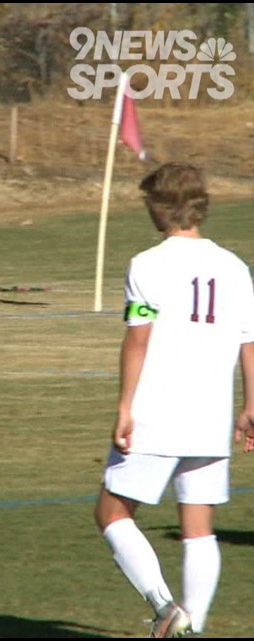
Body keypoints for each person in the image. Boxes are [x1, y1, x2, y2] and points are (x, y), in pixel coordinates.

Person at [93, 163, 254, 638]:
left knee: (111, 512)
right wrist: (250, 406)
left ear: (159, 207)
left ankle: (165, 608)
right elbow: (250, 341)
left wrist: (125, 407)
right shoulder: (234, 266)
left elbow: (137, 340)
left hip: (158, 412)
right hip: (210, 413)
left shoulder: (147, 264)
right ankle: (193, 629)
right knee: (199, 528)